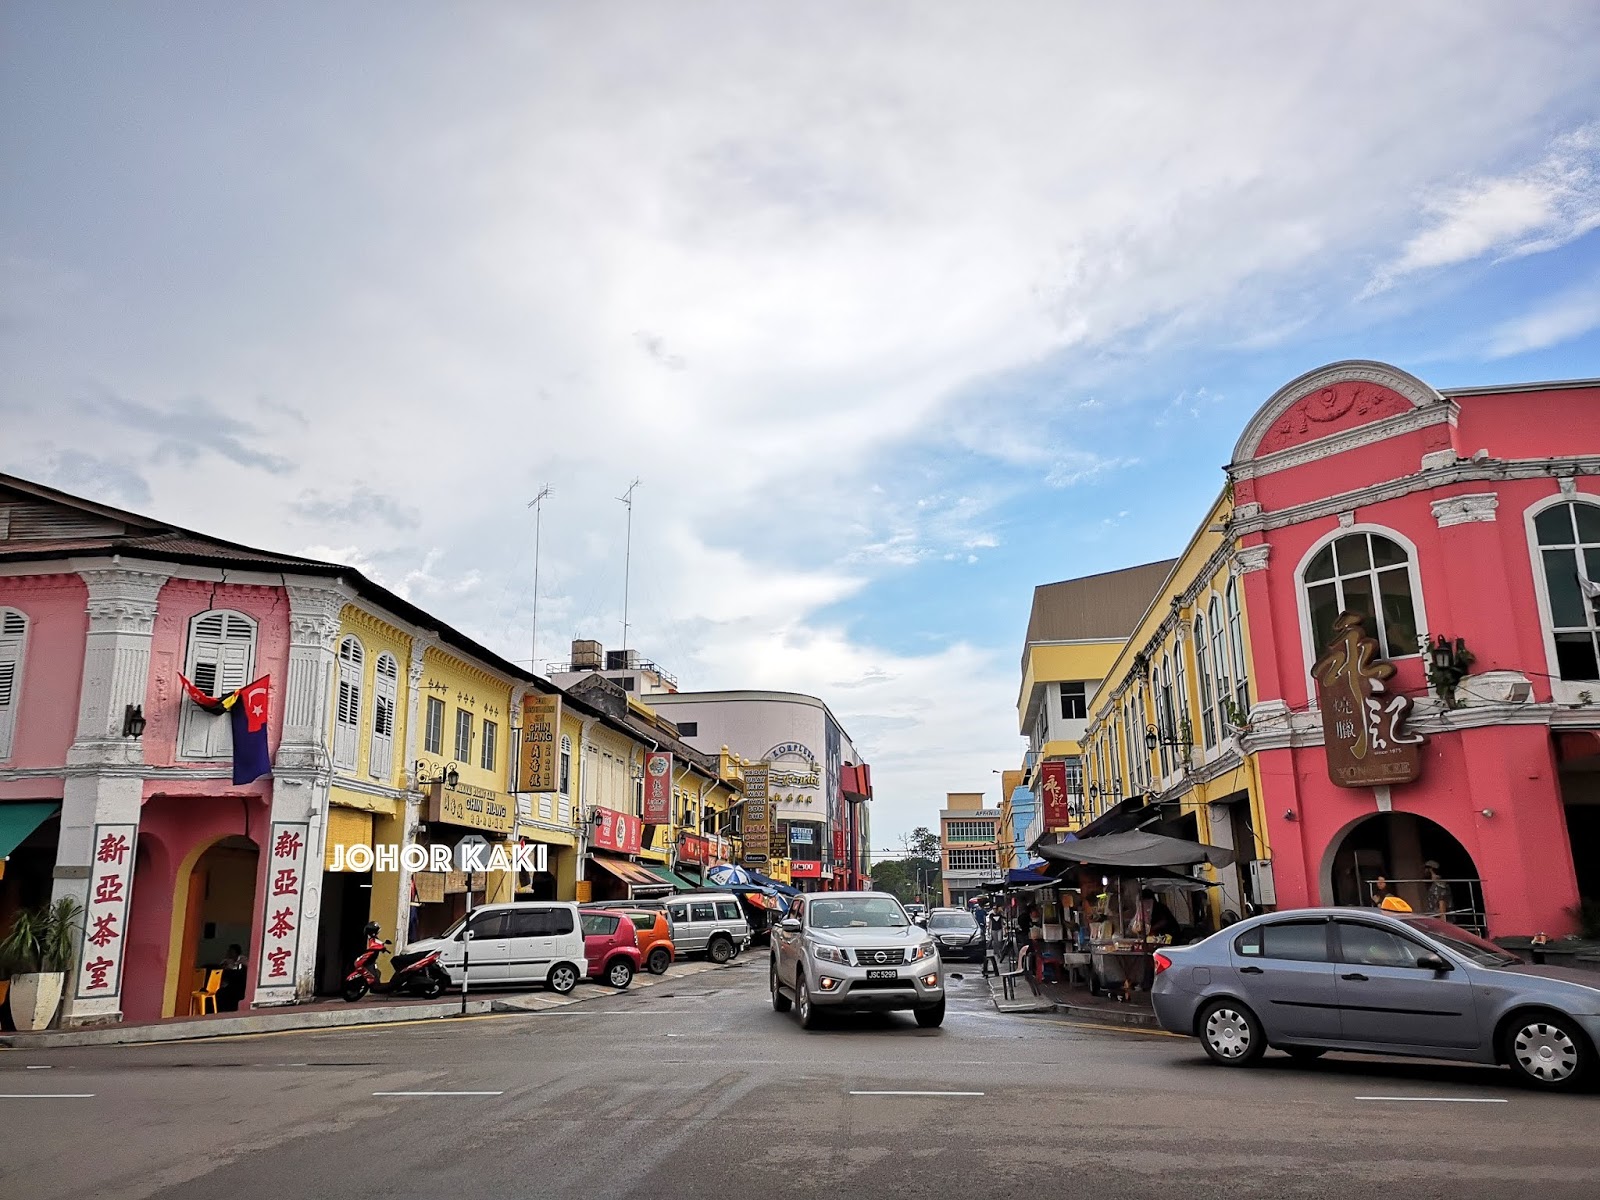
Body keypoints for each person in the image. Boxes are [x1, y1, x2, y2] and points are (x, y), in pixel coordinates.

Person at [217, 943, 247, 1012]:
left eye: (231, 952)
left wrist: (234, 966)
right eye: (229, 952)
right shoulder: (227, 961)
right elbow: (221, 969)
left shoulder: (242, 960)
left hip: (240, 984)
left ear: (236, 953)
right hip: (228, 984)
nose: (229, 954)